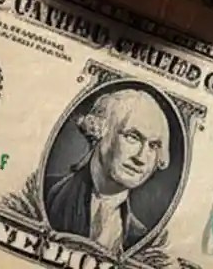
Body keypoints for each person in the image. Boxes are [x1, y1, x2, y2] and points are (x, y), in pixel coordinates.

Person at [44, 88, 170, 253]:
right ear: (99, 131)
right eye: (132, 137)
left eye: (153, 146)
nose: (141, 158)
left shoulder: (138, 237)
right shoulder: (46, 192)